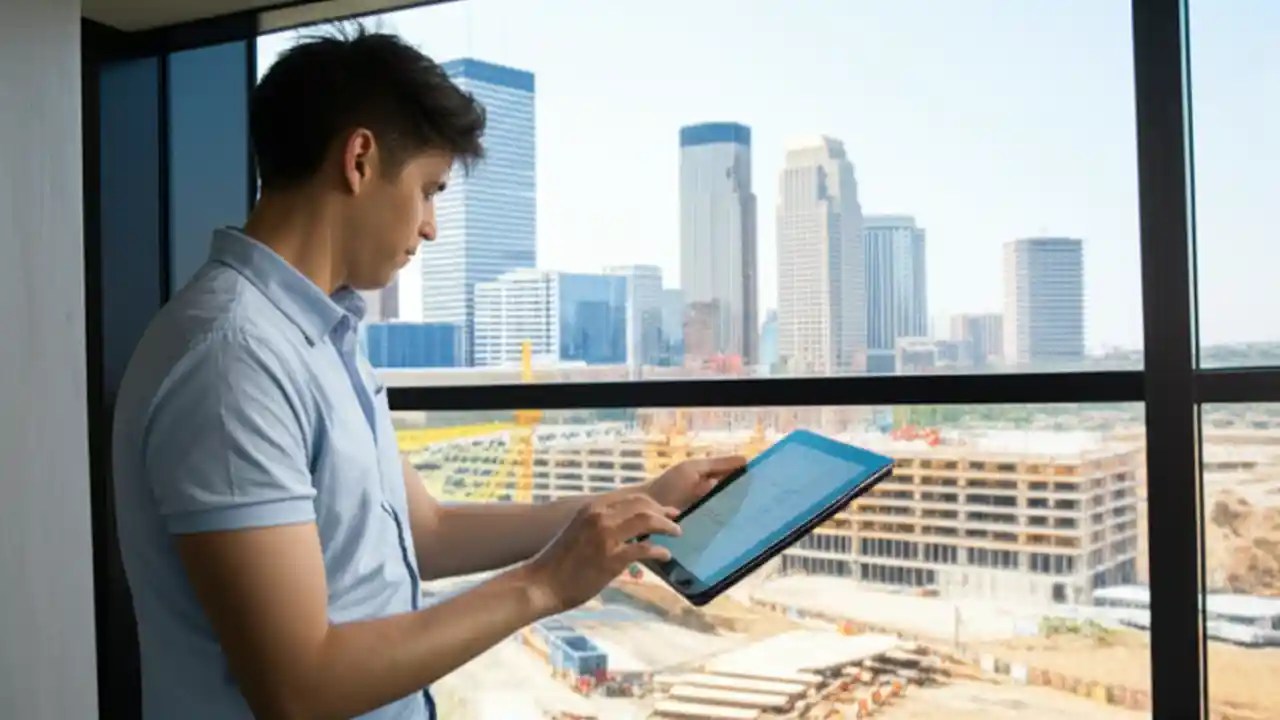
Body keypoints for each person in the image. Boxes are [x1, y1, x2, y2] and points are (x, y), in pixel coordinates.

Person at [111, 26, 744, 720]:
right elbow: (297, 686)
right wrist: (542, 587)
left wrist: (639, 501)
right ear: (359, 160)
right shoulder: (233, 360)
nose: (432, 226)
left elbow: (428, 530)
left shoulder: (322, 336)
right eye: (428, 189)